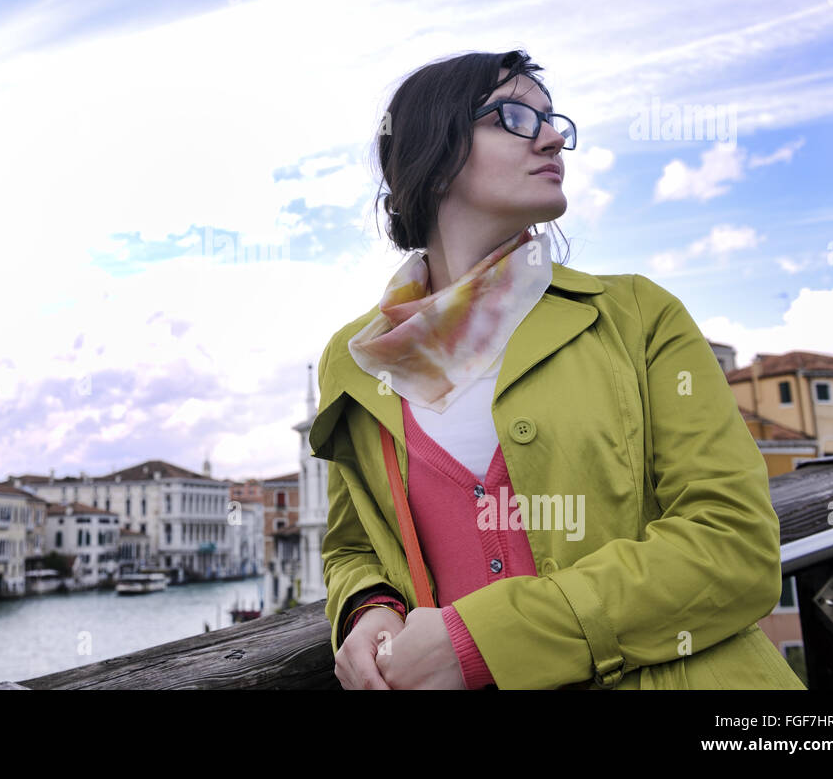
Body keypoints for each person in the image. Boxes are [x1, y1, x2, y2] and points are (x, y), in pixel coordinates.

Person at [312, 49, 806, 690]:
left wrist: (481, 644)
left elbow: (735, 548)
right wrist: (367, 607)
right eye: (513, 116)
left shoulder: (637, 315)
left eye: (554, 122)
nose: (552, 138)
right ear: (430, 157)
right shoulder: (356, 358)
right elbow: (354, 547)